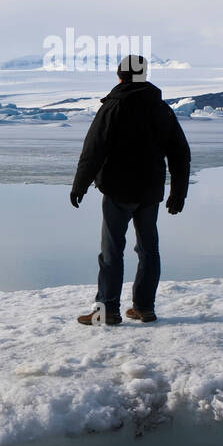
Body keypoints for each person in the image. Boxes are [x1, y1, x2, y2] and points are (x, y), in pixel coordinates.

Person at [69, 54, 191, 325]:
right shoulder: (161, 109)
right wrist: (178, 192)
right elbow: (180, 153)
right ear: (144, 75)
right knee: (149, 249)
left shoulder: (114, 106)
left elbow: (94, 148)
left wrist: (80, 184)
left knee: (112, 251)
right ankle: (145, 307)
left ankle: (108, 310)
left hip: (118, 190)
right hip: (150, 192)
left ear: (120, 75)